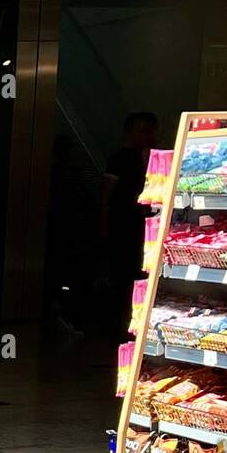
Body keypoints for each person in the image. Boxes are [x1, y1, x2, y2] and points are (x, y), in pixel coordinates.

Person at [100, 111, 159, 336]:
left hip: (146, 230)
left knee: (139, 276)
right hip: (122, 227)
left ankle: (137, 325)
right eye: (143, 129)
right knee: (123, 277)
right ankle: (122, 326)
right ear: (130, 132)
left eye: (151, 129)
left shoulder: (154, 158)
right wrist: (104, 225)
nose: (149, 134)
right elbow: (107, 193)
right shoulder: (119, 158)